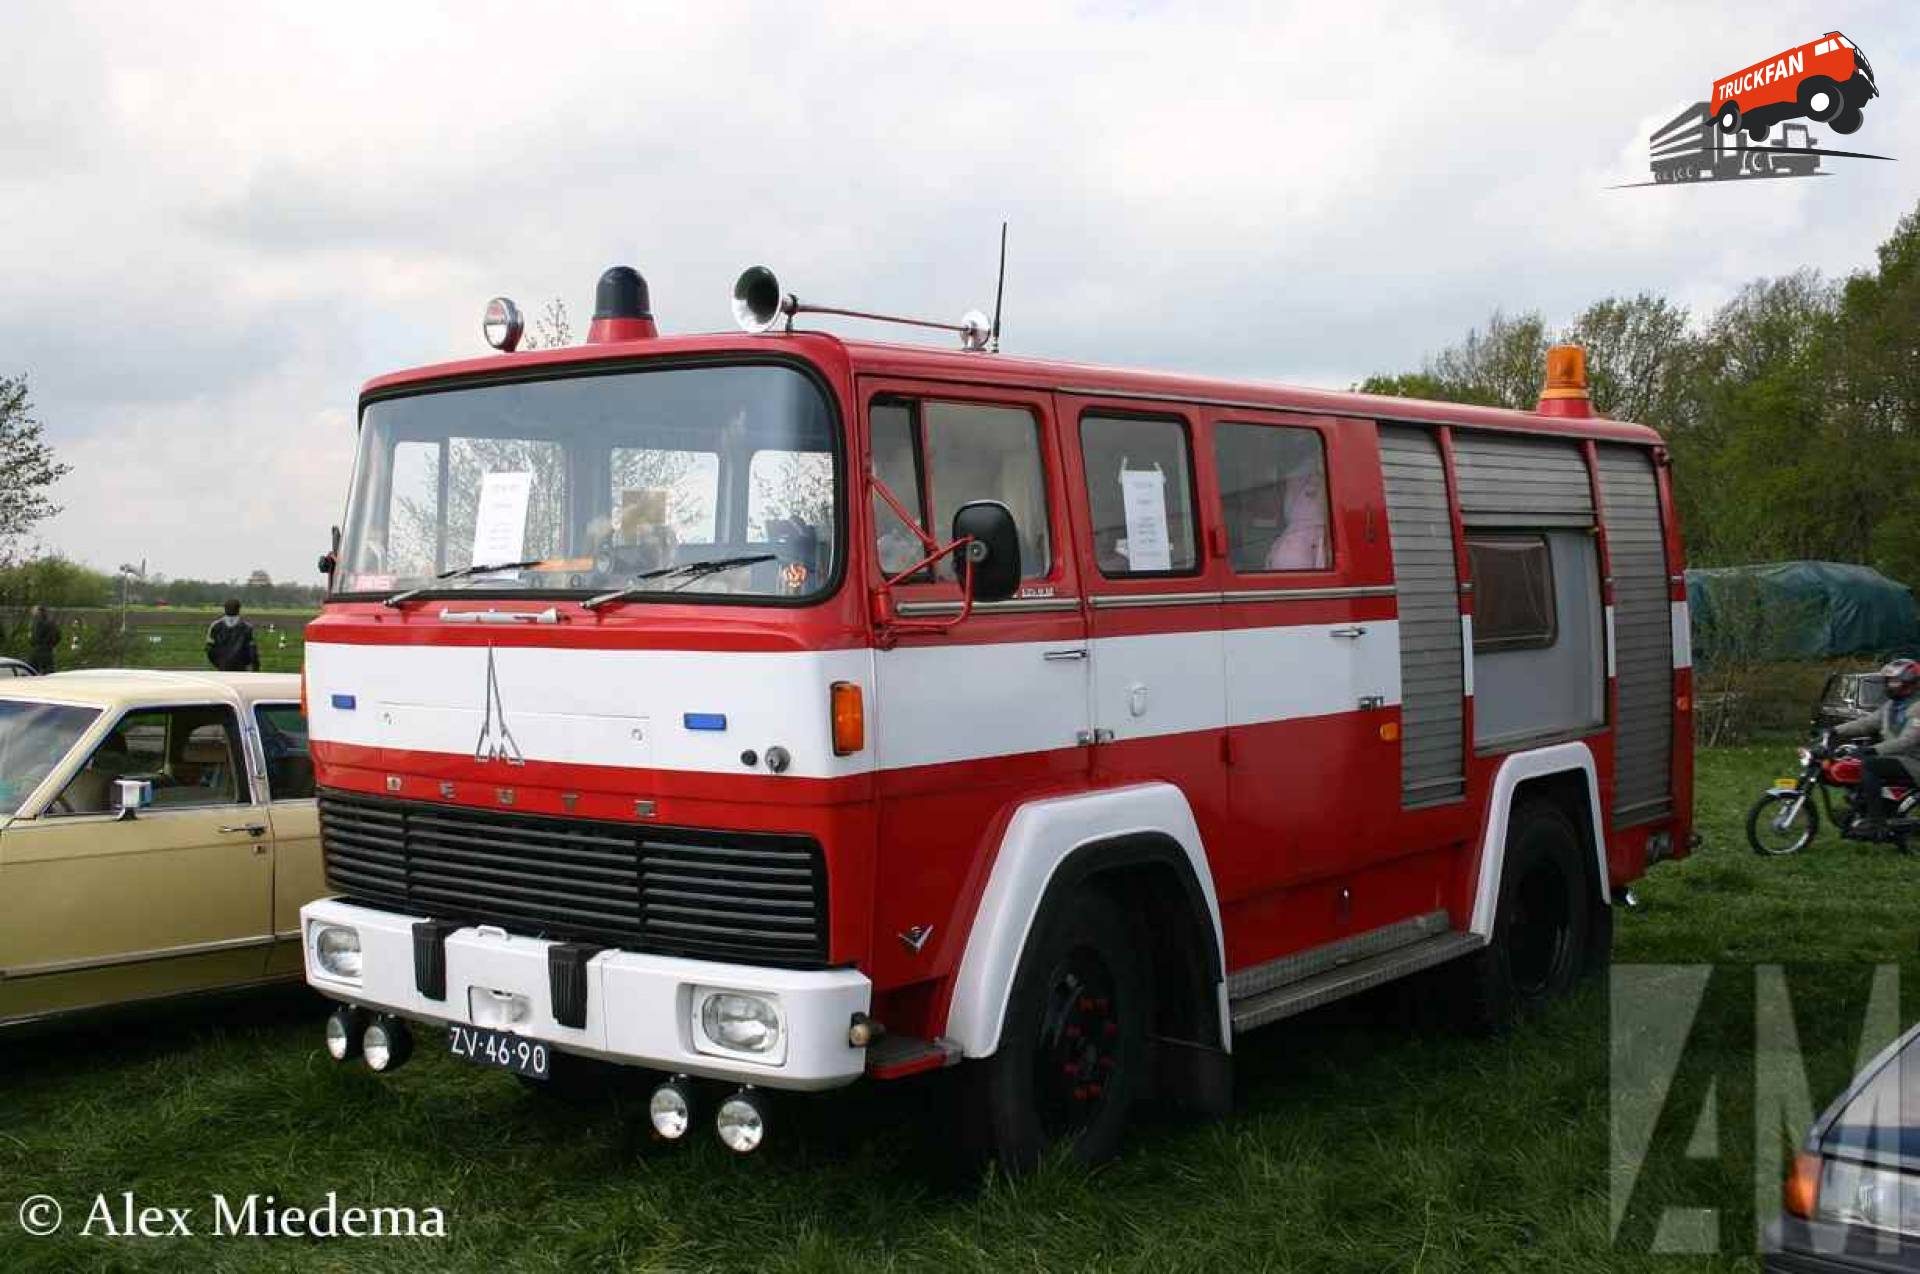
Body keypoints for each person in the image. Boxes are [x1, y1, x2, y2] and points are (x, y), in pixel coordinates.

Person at [1831, 658, 1920, 833]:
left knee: (1870, 765)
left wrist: (1873, 750)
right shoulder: (1891, 706)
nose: (1890, 685)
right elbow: (1867, 723)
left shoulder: (1917, 707)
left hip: (1914, 761)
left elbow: (1908, 740)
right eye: (1888, 681)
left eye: (1895, 681)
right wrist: (1834, 730)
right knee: (1852, 764)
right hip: (1898, 759)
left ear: (1910, 683)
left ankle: (1875, 822)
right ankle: (1860, 810)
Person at [205, 598, 260, 672]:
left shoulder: (215, 626)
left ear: (224, 609)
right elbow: (253, 651)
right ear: (239, 609)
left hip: (222, 667)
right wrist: (255, 668)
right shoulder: (248, 627)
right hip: (241, 667)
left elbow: (209, 649)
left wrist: (218, 663)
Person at [27, 604, 58, 674]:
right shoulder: (51, 622)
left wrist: (31, 639)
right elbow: (58, 636)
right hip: (48, 650)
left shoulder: (38, 622)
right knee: (48, 671)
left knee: (31, 669)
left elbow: (35, 638)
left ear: (39, 612)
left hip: (40, 649)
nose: (32, 613)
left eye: (34, 611)